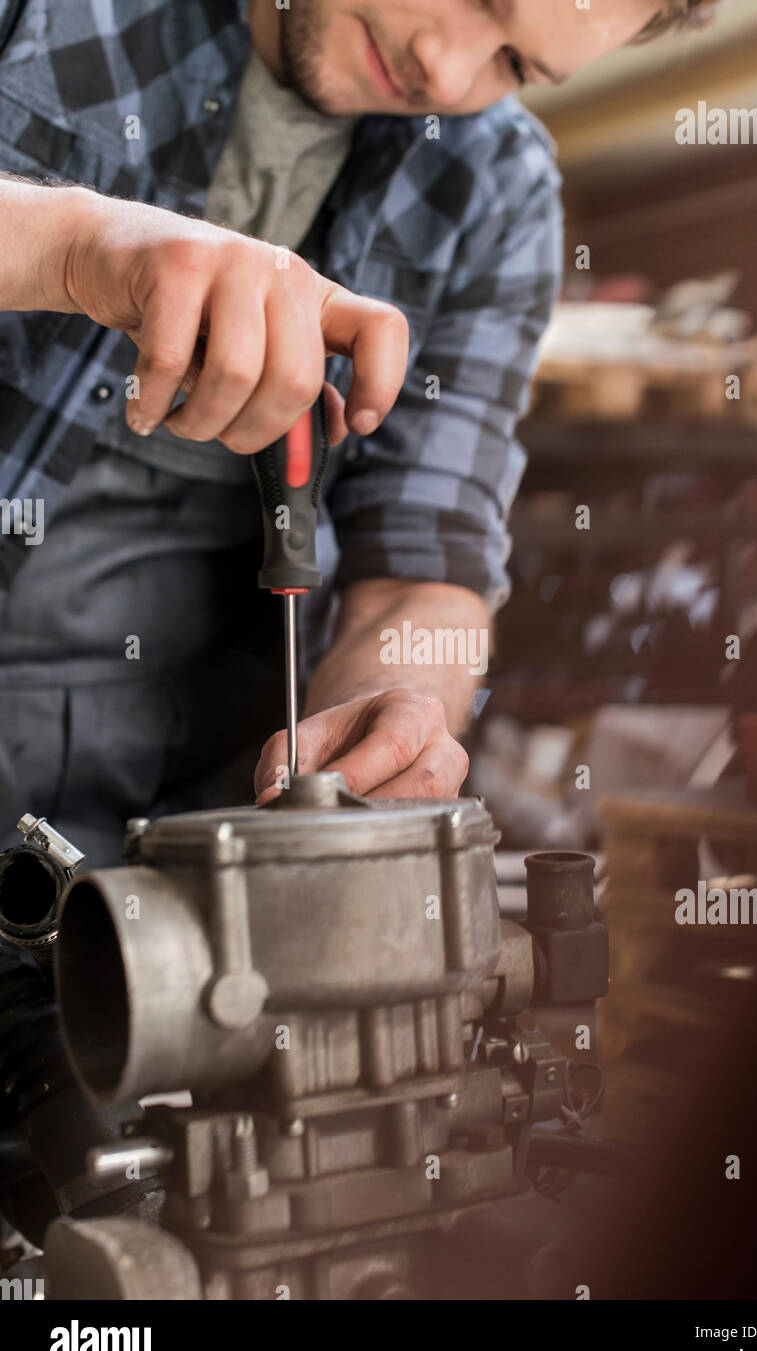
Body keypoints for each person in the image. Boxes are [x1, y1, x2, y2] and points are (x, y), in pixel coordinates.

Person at [0, 0, 713, 863]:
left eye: (515, 68)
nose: (445, 75)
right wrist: (72, 250)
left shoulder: (495, 191)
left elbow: (423, 566)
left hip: (204, 822)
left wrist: (396, 702)